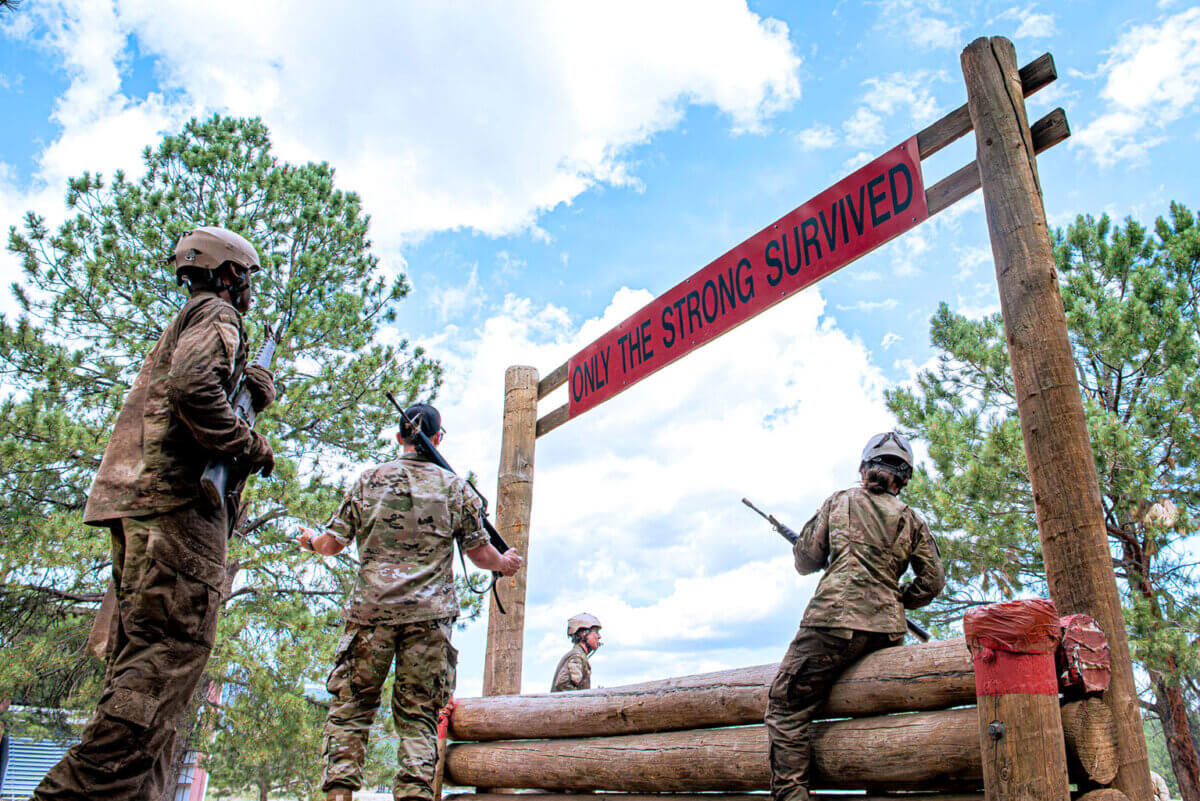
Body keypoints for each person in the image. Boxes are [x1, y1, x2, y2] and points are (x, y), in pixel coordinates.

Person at [35, 227, 276, 801]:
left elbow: (187, 394)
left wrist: (252, 395)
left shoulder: (186, 322)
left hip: (146, 516)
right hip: (176, 519)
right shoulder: (217, 314)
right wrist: (249, 443)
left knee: (152, 695)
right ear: (228, 275)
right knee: (151, 687)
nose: (246, 295)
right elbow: (197, 389)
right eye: (245, 281)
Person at [298, 402, 523, 801]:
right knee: (419, 717)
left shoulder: (369, 481)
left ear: (399, 437)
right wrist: (504, 564)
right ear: (437, 439)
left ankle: (338, 795)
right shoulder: (455, 488)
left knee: (351, 711)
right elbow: (480, 554)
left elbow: (332, 544)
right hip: (430, 621)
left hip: (369, 617)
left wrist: (311, 542)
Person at [764, 431, 944, 801]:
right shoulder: (911, 520)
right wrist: (898, 599)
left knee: (785, 707)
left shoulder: (839, 502)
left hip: (831, 622)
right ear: (905, 479)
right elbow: (933, 580)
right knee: (877, 714)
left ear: (864, 469)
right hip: (887, 632)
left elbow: (805, 562)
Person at [550, 613, 602, 692]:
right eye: (596, 632)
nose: (599, 636)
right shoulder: (576, 657)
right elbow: (564, 685)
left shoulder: (579, 655)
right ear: (585, 633)